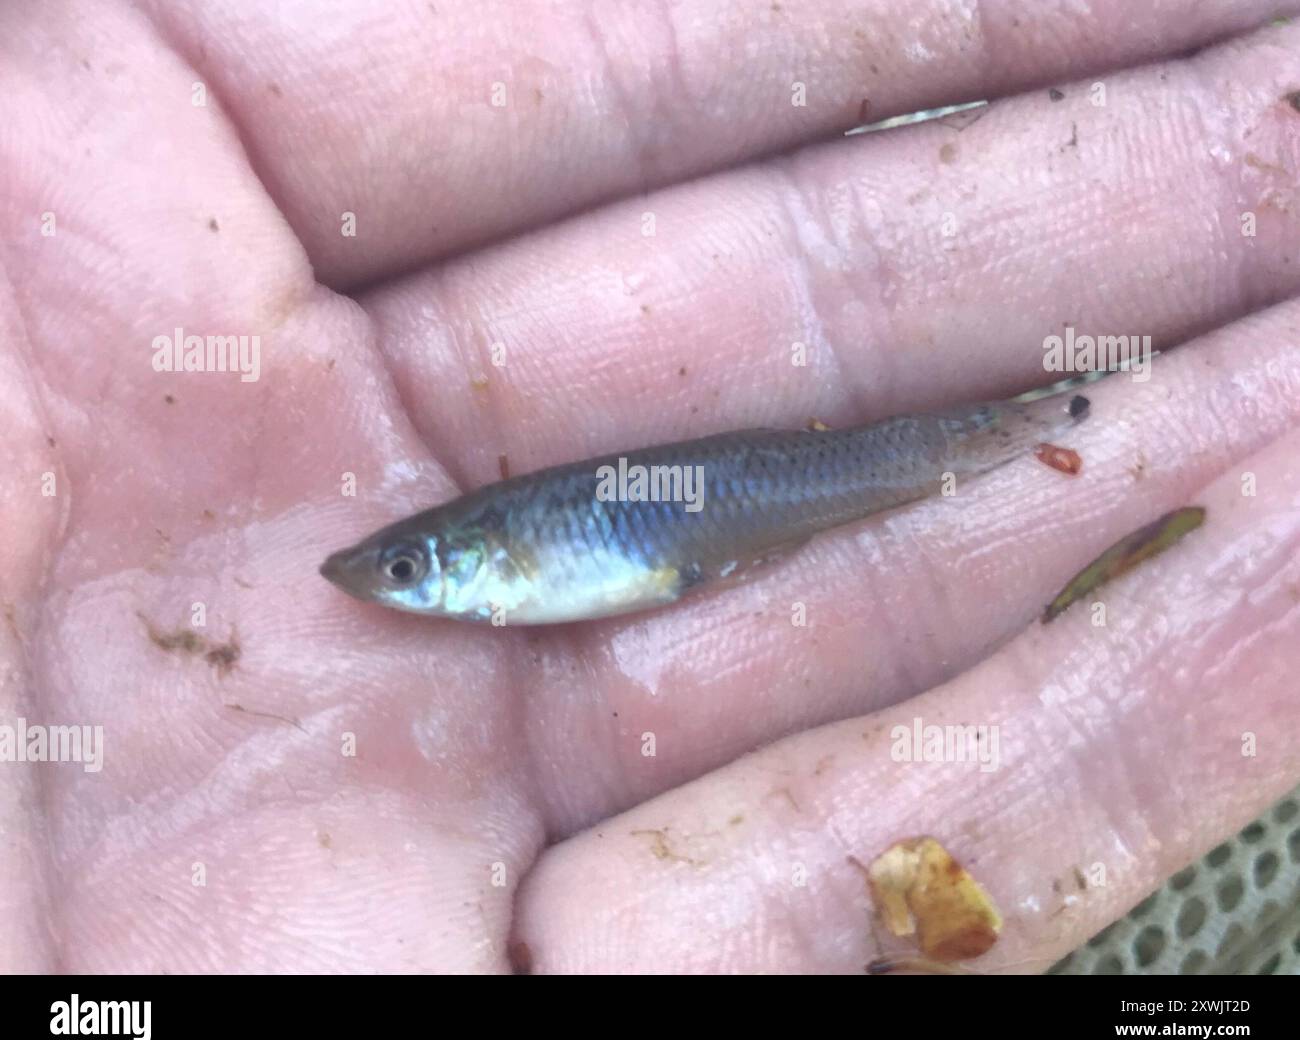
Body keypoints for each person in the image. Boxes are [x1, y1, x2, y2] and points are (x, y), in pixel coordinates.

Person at [1, 0, 1296, 973]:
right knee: (855, 485)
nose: (400, 587)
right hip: (690, 524)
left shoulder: (507, 561)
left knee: (870, 471)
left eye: (408, 570)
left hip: (708, 507)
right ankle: (1011, 430)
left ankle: (1014, 428)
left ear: (467, 557)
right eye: (404, 570)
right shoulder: (492, 574)